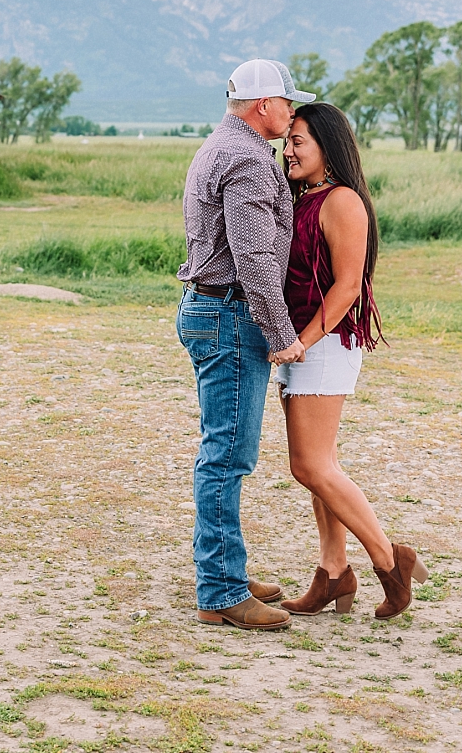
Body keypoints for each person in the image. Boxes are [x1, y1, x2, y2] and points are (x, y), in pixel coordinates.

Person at [273, 102, 428, 620]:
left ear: (328, 148)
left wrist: (305, 341)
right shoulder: (305, 197)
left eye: (299, 142)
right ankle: (334, 573)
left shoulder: (342, 202)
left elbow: (347, 286)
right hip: (301, 343)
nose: (288, 150)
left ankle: (390, 562)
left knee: (309, 465)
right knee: (320, 468)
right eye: (288, 140)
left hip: (325, 343)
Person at [176, 59, 313, 631]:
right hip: (232, 315)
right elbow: (254, 257)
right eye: (287, 103)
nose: (292, 113)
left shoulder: (222, 145)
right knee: (227, 457)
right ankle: (221, 590)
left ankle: (225, 568)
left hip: (214, 308)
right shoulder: (249, 159)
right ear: (264, 106)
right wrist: (282, 336)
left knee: (226, 453)